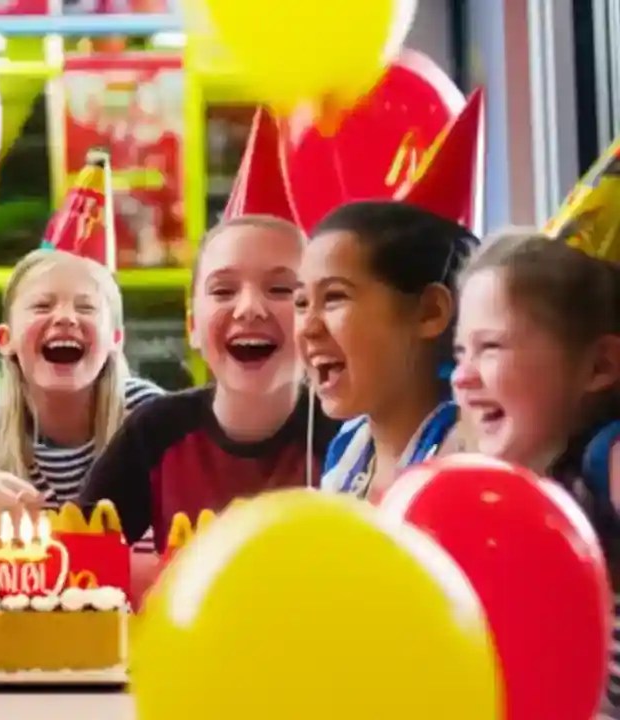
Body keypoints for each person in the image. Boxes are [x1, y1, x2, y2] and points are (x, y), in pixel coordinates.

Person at [79, 216, 340, 550]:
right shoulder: (155, 432)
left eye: (281, 290)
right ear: (192, 326)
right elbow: (82, 553)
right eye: (223, 291)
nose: (249, 308)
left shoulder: (348, 435)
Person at [450, 231, 620, 712]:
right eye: (460, 352)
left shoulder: (608, 461)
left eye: (491, 347)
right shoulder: (504, 497)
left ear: (598, 366)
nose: (462, 376)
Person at [0, 248, 164, 554]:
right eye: (42, 306)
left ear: (116, 340)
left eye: (86, 307)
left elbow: (176, 564)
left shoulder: (154, 422)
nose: (66, 318)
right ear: (5, 340)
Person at [296, 200, 475, 502]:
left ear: (430, 312)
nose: (308, 328)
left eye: (334, 297)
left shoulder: (468, 462)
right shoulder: (347, 452)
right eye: (301, 303)